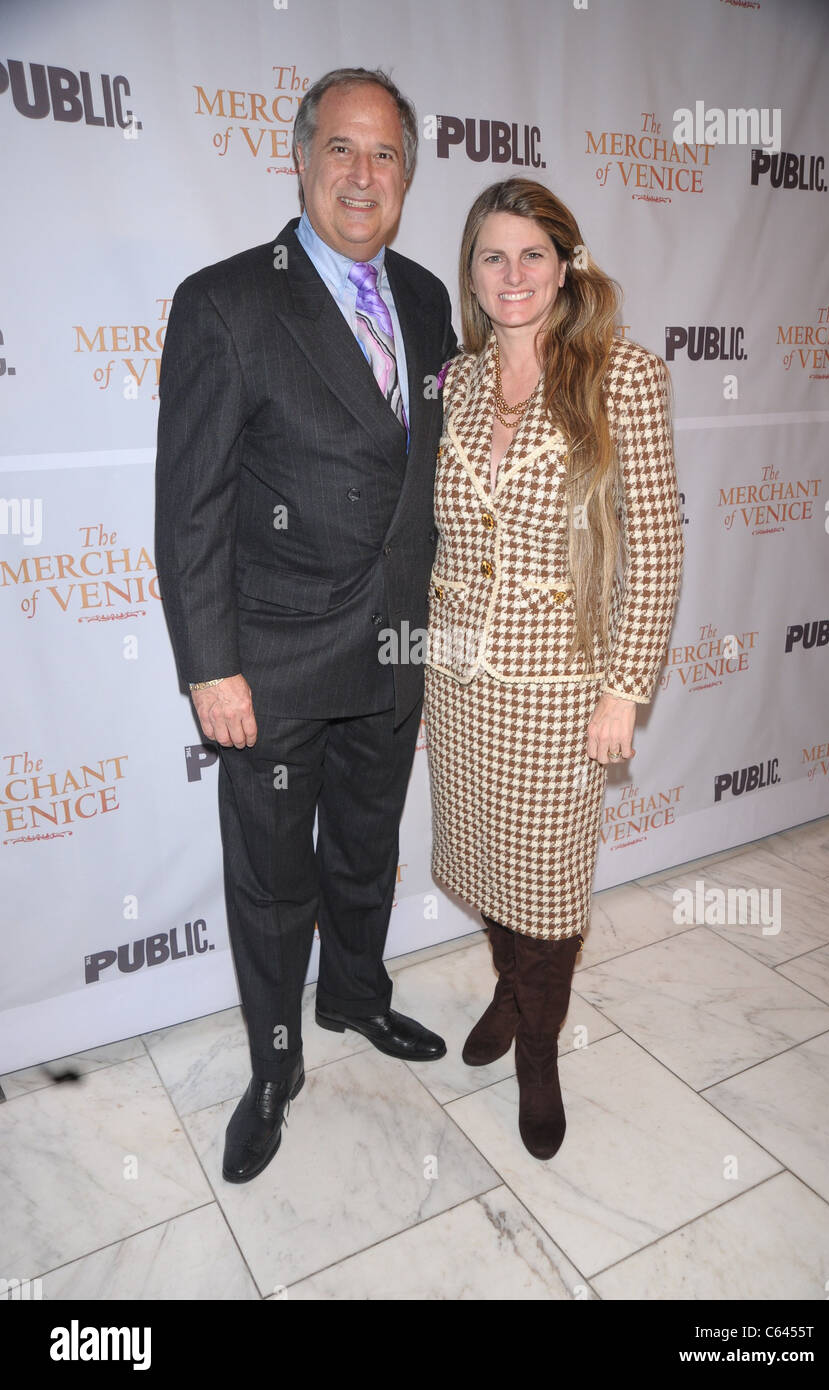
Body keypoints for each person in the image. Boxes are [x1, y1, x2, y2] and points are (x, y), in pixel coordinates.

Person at [155, 68, 458, 1183]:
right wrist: (212, 668)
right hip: (274, 663)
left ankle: (359, 999)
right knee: (277, 883)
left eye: (385, 155)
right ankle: (275, 1067)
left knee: (368, 849)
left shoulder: (427, 298)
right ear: (300, 157)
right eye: (342, 149)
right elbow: (188, 503)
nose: (362, 175)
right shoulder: (228, 300)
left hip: (393, 650)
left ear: (409, 175)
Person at [423, 178, 684, 1160]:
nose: (512, 273)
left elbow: (655, 545)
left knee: (549, 888)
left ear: (567, 263)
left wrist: (625, 687)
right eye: (493, 256)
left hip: (561, 688)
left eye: (533, 253)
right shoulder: (455, 379)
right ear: (472, 272)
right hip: (457, 683)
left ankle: (540, 1052)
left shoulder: (623, 375)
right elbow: (442, 543)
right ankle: (507, 986)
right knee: (490, 868)